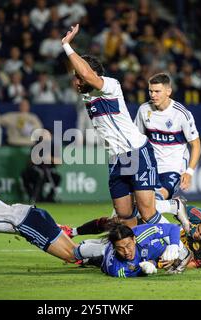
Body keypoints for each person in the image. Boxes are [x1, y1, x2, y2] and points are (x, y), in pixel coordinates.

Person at [61, 24, 163, 226]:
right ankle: (136, 255)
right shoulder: (87, 97)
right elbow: (86, 77)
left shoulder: (111, 86)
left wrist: (66, 45)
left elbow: (89, 76)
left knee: (147, 212)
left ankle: (176, 247)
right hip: (117, 159)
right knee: (124, 217)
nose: (76, 82)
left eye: (77, 77)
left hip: (136, 152)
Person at [61, 203, 201, 270]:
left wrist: (168, 262)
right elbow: (175, 209)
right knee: (118, 225)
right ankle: (74, 232)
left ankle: (88, 256)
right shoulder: (195, 214)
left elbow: (193, 263)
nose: (195, 234)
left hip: (166, 251)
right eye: (197, 229)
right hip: (163, 232)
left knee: (129, 255)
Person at [135, 73, 201, 202]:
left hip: (174, 166)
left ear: (168, 91)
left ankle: (175, 206)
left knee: (157, 199)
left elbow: (196, 145)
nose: (153, 95)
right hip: (151, 166)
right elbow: (137, 139)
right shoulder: (144, 110)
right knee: (138, 205)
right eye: (151, 91)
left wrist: (189, 172)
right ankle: (176, 207)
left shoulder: (181, 114)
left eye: (157, 91)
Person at [74, 223, 190, 277]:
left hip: (114, 244)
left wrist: (173, 245)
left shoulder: (140, 234)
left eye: (128, 245)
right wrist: (149, 267)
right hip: (104, 253)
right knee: (77, 253)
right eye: (120, 249)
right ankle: (87, 257)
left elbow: (173, 228)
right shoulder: (116, 269)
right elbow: (134, 270)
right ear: (114, 247)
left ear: (134, 239)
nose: (126, 252)